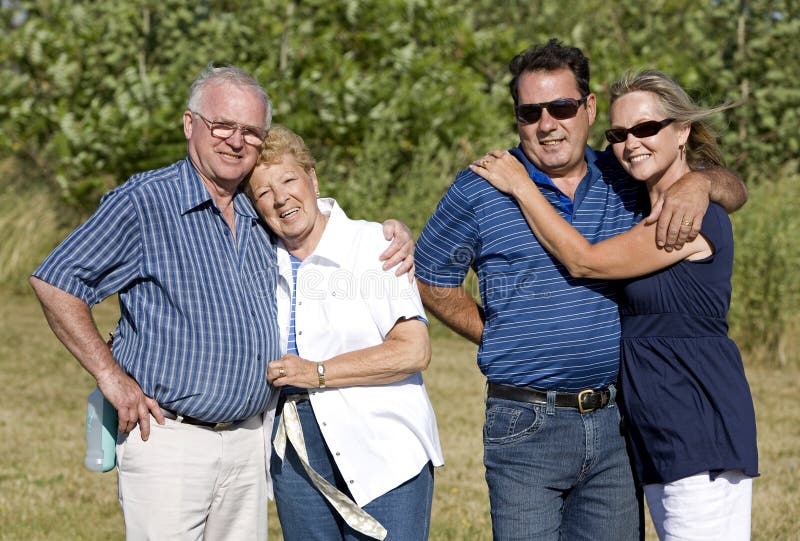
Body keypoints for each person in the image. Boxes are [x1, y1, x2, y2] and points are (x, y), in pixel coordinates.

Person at [29, 65, 414, 540]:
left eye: (251, 131)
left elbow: (313, 213)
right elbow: (57, 280)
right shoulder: (146, 202)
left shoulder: (258, 207)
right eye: (223, 126)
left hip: (252, 445)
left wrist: (388, 233)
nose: (237, 141)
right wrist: (111, 377)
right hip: (170, 441)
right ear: (190, 125)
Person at [414, 39, 748, 540]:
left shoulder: (626, 174)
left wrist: (701, 183)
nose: (547, 123)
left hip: (616, 423)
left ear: (588, 109)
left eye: (562, 107)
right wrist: (500, 336)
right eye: (530, 112)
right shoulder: (483, 185)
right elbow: (429, 276)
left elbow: (727, 188)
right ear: (517, 118)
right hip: (524, 424)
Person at [242, 125, 443, 541]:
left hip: (382, 449)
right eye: (263, 193)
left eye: (288, 179)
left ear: (312, 178)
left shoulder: (372, 245)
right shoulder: (255, 260)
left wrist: (315, 371)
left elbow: (412, 350)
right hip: (294, 451)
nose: (280, 198)